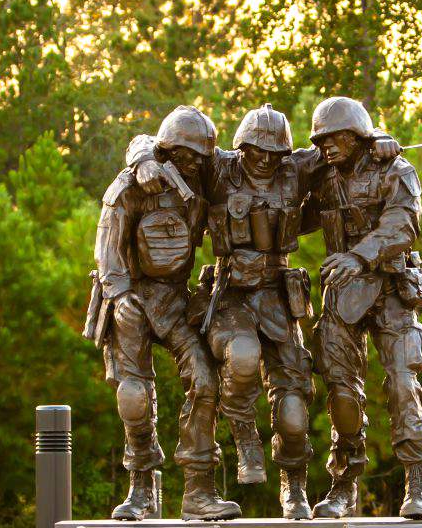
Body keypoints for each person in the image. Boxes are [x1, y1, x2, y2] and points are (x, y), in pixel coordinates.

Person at [132, 103, 401, 519]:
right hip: (230, 296)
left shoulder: (297, 169)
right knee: (240, 358)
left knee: (294, 412)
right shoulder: (218, 169)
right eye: (256, 150)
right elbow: (161, 141)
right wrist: (144, 158)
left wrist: (380, 136)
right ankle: (245, 440)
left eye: (274, 154)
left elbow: (348, 142)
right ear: (241, 147)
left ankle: (293, 485)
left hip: (278, 296)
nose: (264, 159)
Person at [85, 106, 240, 521]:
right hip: (131, 299)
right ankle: (142, 490)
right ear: (166, 149)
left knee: (206, 381)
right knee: (134, 396)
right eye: (181, 154)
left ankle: (199, 492)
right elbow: (108, 249)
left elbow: (259, 167)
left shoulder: (203, 181)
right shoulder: (129, 188)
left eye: (197, 157)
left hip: (175, 301)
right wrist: (118, 296)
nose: (190, 163)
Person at [307, 96, 422, 519]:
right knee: (341, 395)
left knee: (402, 383)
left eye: (335, 137)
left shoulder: (397, 170)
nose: (326, 146)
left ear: (358, 136)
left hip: (393, 290)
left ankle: (417, 480)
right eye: (320, 140)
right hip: (343, 298)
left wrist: (359, 256)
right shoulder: (322, 177)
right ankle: (343, 485)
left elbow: (403, 224)